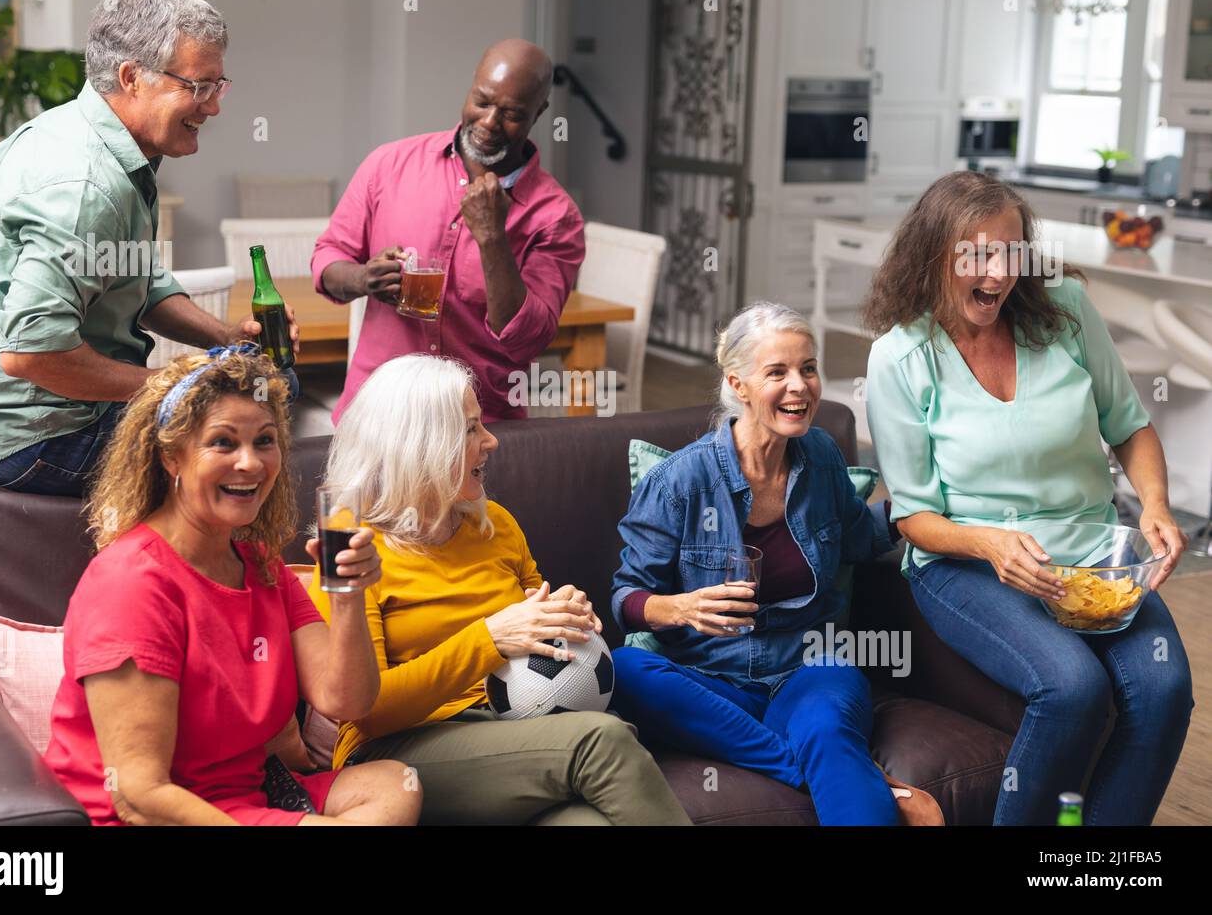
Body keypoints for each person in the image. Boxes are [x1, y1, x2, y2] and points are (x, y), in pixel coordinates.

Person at [864, 170, 1193, 825]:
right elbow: (914, 516)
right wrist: (989, 541)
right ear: (935, 258)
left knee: (1165, 688)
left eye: (1010, 252)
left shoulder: (1066, 310)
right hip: (964, 564)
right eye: (978, 255)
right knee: (1071, 688)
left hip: (1094, 558)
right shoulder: (899, 359)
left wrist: (1155, 504)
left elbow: (1129, 426)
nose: (998, 272)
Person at [0, 0, 297, 496]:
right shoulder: (86, 187)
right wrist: (177, 384)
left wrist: (228, 341)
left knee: (267, 387)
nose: (212, 108)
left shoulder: (95, 141)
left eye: (218, 86)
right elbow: (33, 354)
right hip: (28, 437)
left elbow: (136, 276)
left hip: (18, 417)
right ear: (131, 78)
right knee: (243, 437)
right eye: (199, 86)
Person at [306, 353, 690, 825]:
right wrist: (490, 639)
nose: (490, 441)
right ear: (418, 444)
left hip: (513, 729)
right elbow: (368, 711)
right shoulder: (347, 542)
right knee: (602, 739)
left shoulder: (495, 525)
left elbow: (537, 626)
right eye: (470, 430)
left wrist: (567, 619)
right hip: (396, 753)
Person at [44, 345, 418, 825]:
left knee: (393, 784)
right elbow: (138, 792)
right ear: (172, 458)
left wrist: (348, 594)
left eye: (265, 441)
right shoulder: (133, 583)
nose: (251, 463)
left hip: (248, 794)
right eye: (223, 443)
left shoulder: (259, 564)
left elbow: (346, 701)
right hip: (155, 815)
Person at [608, 303, 940, 826]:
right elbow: (627, 601)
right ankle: (851, 777)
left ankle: (818, 756)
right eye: (778, 372)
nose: (800, 386)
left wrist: (928, 500)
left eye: (808, 368)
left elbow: (858, 537)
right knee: (626, 669)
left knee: (828, 727)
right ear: (738, 384)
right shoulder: (679, 482)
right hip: (708, 676)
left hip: (808, 667)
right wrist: (681, 608)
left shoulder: (821, 456)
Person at [312, 38, 584, 424]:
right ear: (471, 85)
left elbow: (530, 337)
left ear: (538, 112)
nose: (489, 122)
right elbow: (327, 258)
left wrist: (492, 238)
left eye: (511, 113)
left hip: (478, 427)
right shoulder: (389, 164)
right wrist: (362, 278)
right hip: (378, 417)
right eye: (483, 101)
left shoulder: (556, 215)